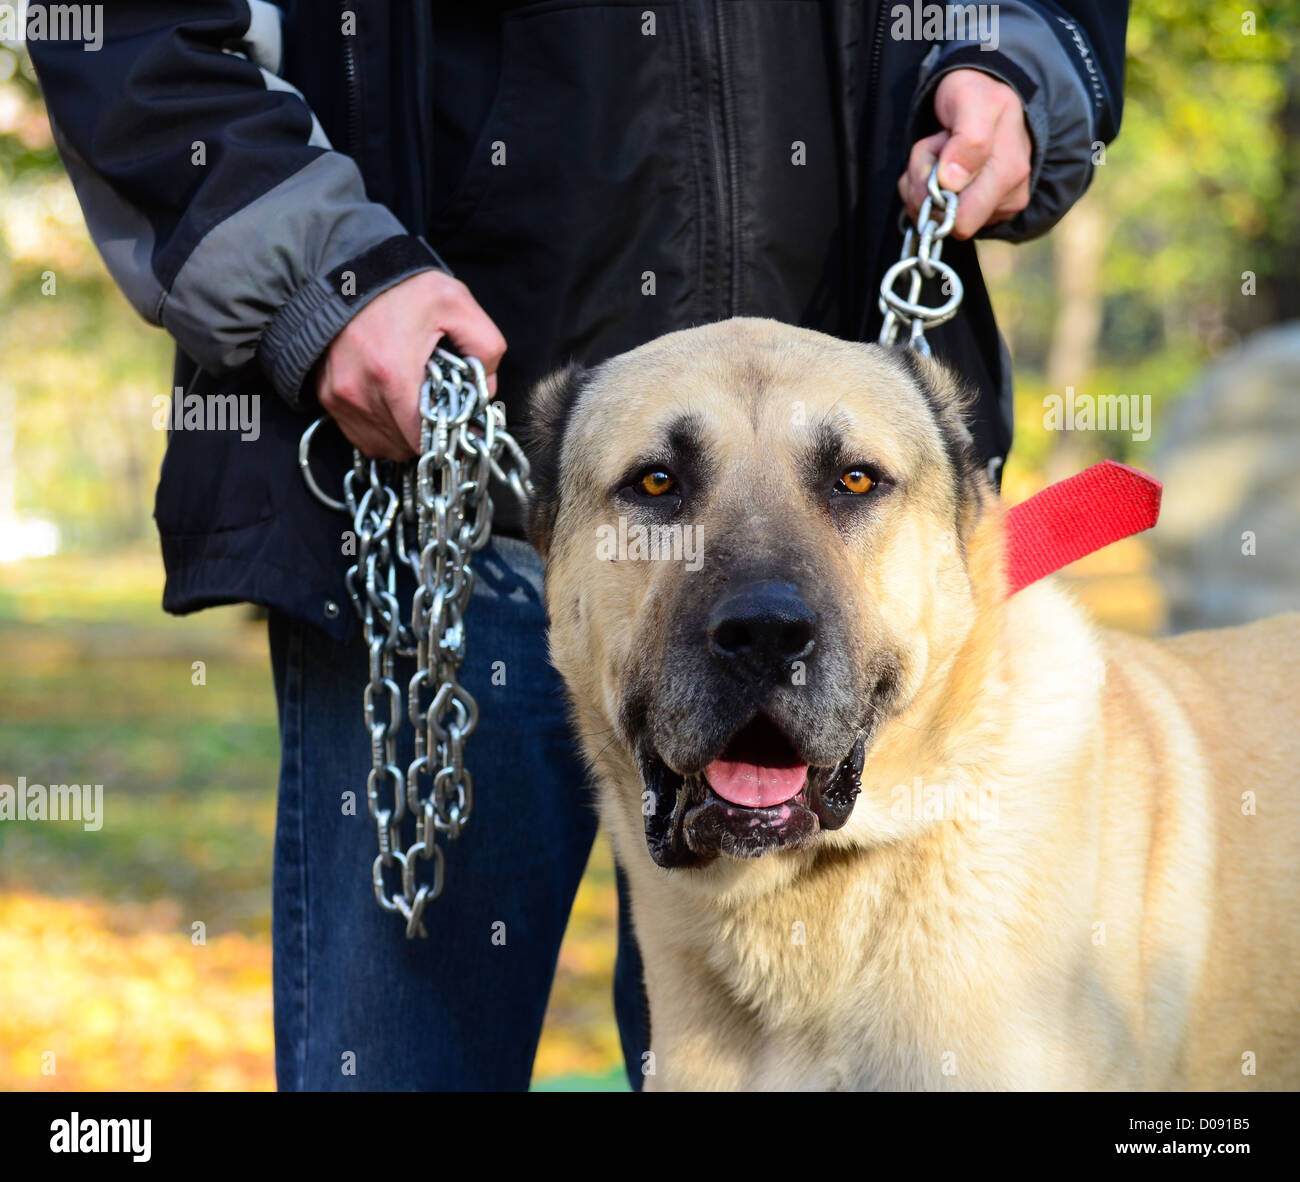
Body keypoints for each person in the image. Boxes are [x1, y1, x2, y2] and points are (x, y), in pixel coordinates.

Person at [29, 1, 1128, 1091]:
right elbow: (130, 29)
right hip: (438, 506)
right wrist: (324, 268)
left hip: (863, 503)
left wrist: (1018, 58)